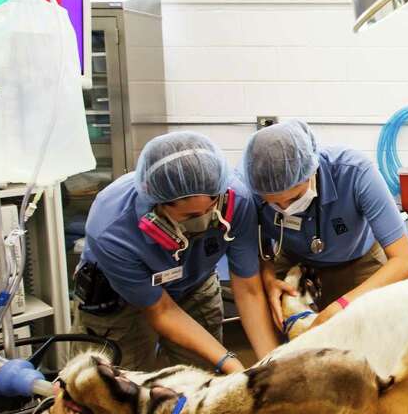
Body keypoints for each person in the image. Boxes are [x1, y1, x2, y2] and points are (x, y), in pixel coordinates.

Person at [72, 132, 277, 372]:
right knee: (123, 388)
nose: (203, 222)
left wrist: (270, 364)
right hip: (120, 302)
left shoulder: (237, 200)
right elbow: (162, 311)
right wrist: (230, 362)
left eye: (212, 208)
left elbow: (249, 290)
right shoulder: (112, 228)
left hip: (193, 284)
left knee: (204, 379)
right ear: (156, 204)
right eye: (189, 216)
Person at [242, 120, 408, 333]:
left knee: (371, 333)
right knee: (288, 334)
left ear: (312, 171)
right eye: (274, 203)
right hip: (294, 263)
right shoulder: (249, 189)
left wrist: (343, 305)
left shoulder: (355, 172)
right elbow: (260, 251)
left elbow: (405, 261)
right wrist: (269, 280)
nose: (287, 208)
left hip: (359, 259)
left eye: (295, 197)